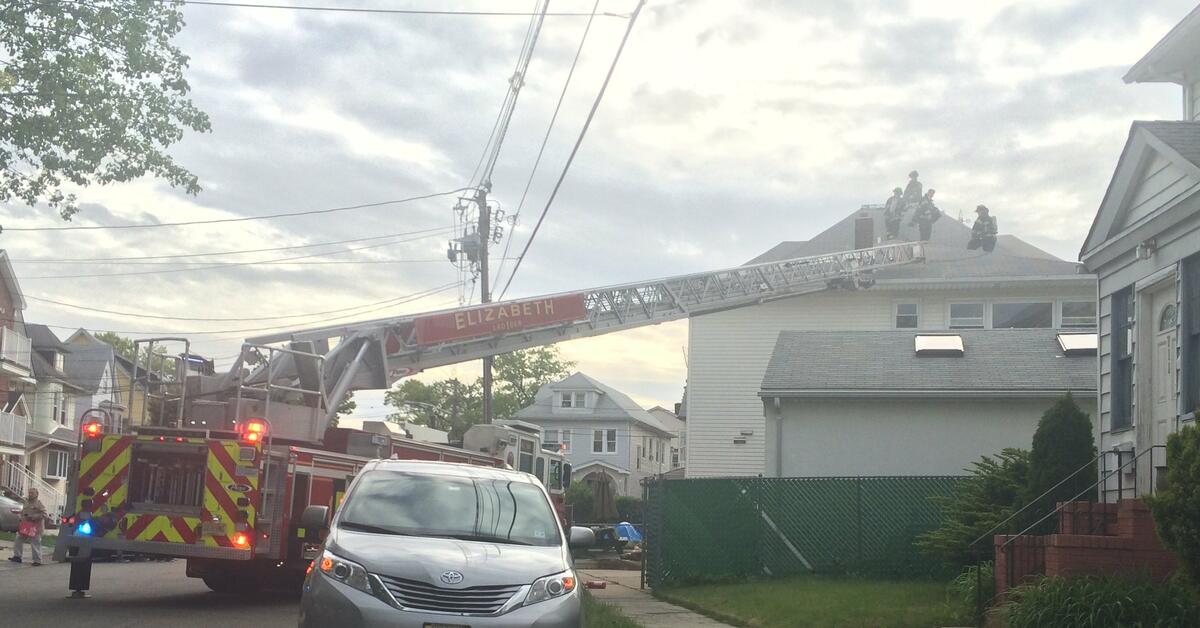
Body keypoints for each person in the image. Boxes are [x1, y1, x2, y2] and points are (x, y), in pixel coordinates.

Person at [9, 487, 47, 566]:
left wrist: (33, 517)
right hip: (25, 527)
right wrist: (21, 517)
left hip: (35, 528)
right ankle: (17, 557)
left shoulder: (39, 504)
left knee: (35, 543)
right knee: (18, 539)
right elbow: (23, 512)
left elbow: (45, 515)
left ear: (37, 494)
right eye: (29, 493)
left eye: (32, 493)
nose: (30, 494)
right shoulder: (26, 503)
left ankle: (37, 560)